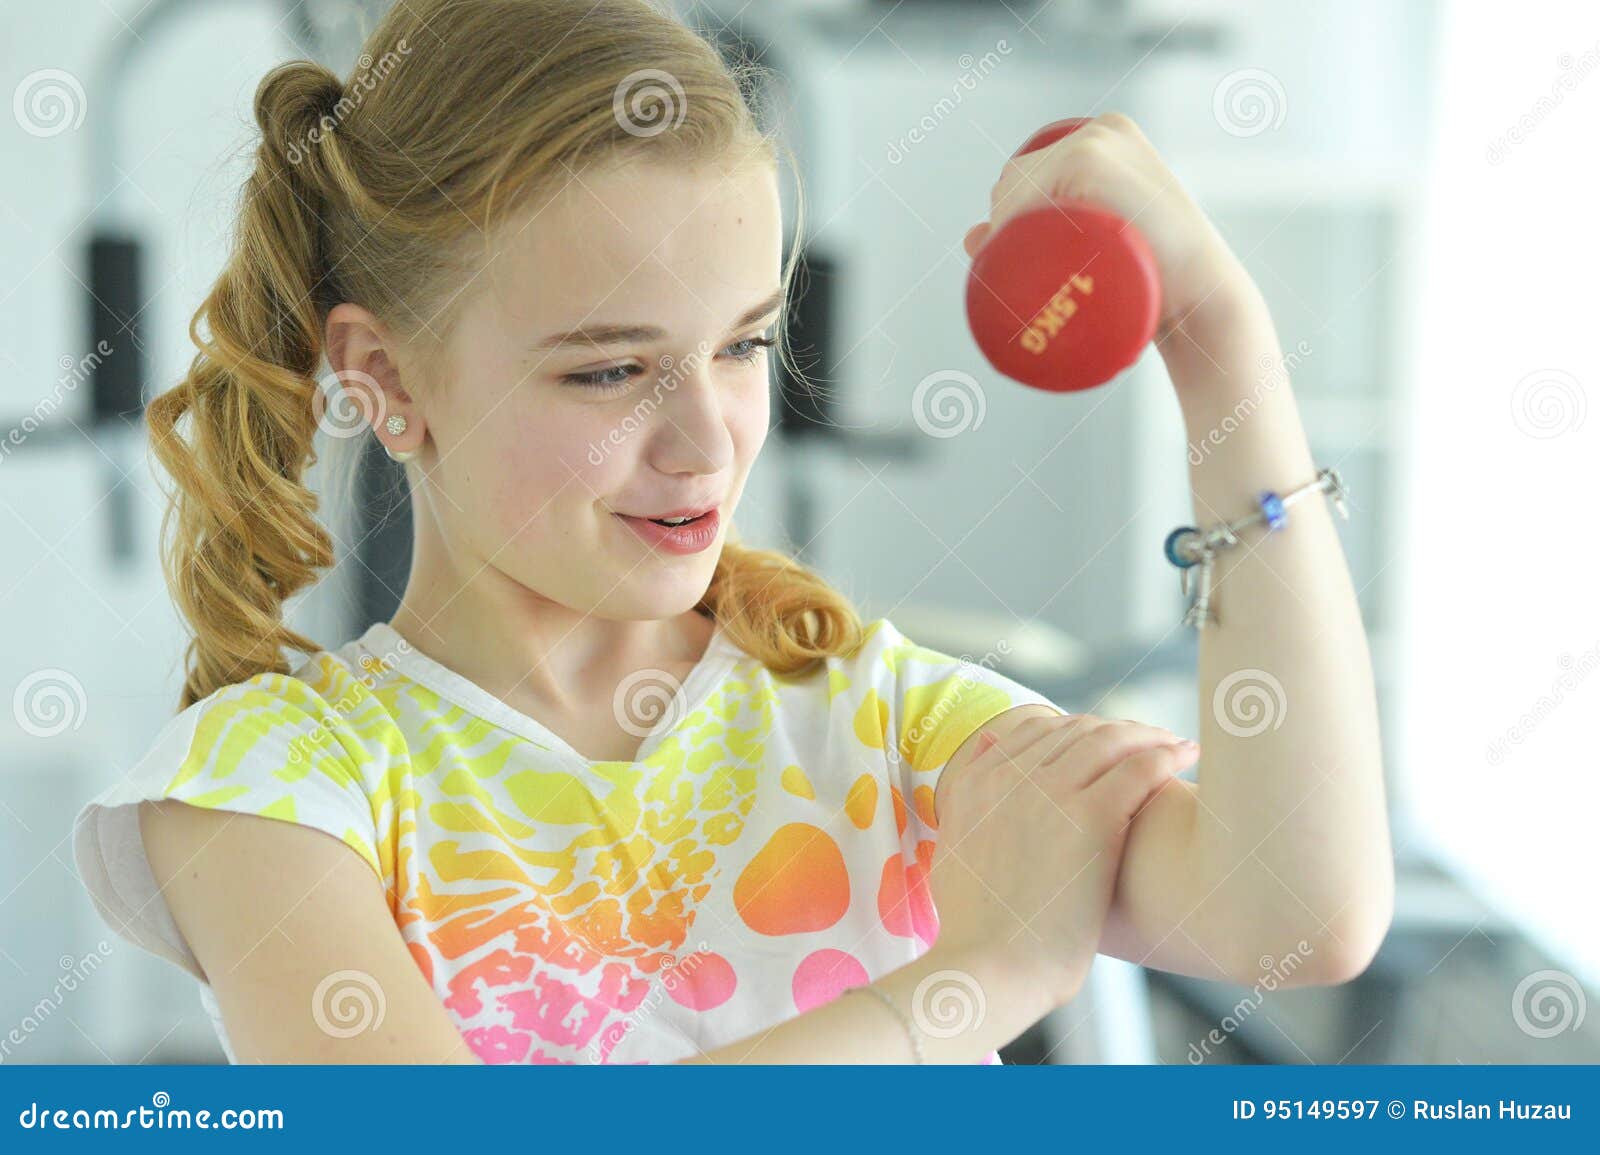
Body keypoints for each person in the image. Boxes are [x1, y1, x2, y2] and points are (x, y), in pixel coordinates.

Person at [71, 0, 1392, 1065]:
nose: (709, 442)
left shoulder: (871, 722)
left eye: (744, 345)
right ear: (391, 378)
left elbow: (1300, 913)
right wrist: (974, 982)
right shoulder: (267, 790)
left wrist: (1225, 351)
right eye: (607, 371)